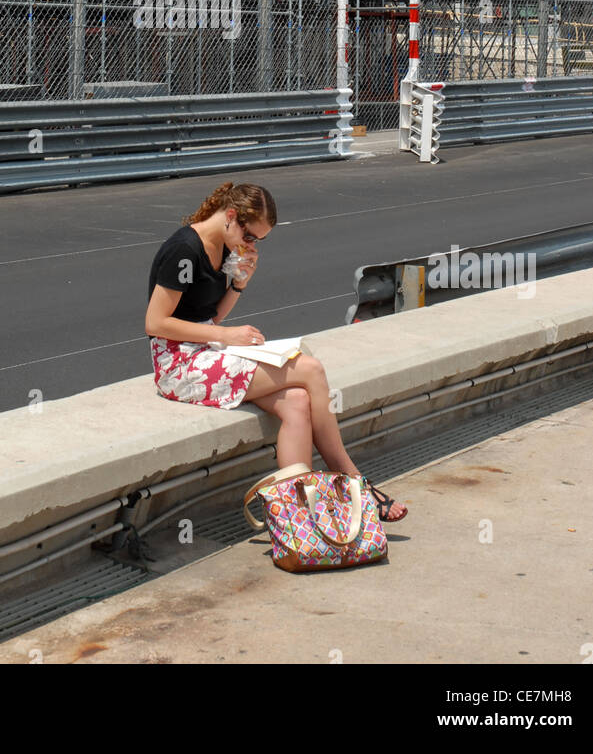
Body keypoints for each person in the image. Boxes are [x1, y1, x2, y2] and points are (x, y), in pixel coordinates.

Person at [145, 180, 407, 523]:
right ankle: (352, 481)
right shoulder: (184, 250)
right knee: (310, 370)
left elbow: (212, 315)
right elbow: (155, 323)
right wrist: (227, 335)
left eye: (258, 240)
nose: (250, 244)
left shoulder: (225, 247)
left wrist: (240, 282)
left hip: (208, 350)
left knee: (297, 401)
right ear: (231, 216)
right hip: (178, 364)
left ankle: (301, 513)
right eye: (250, 235)